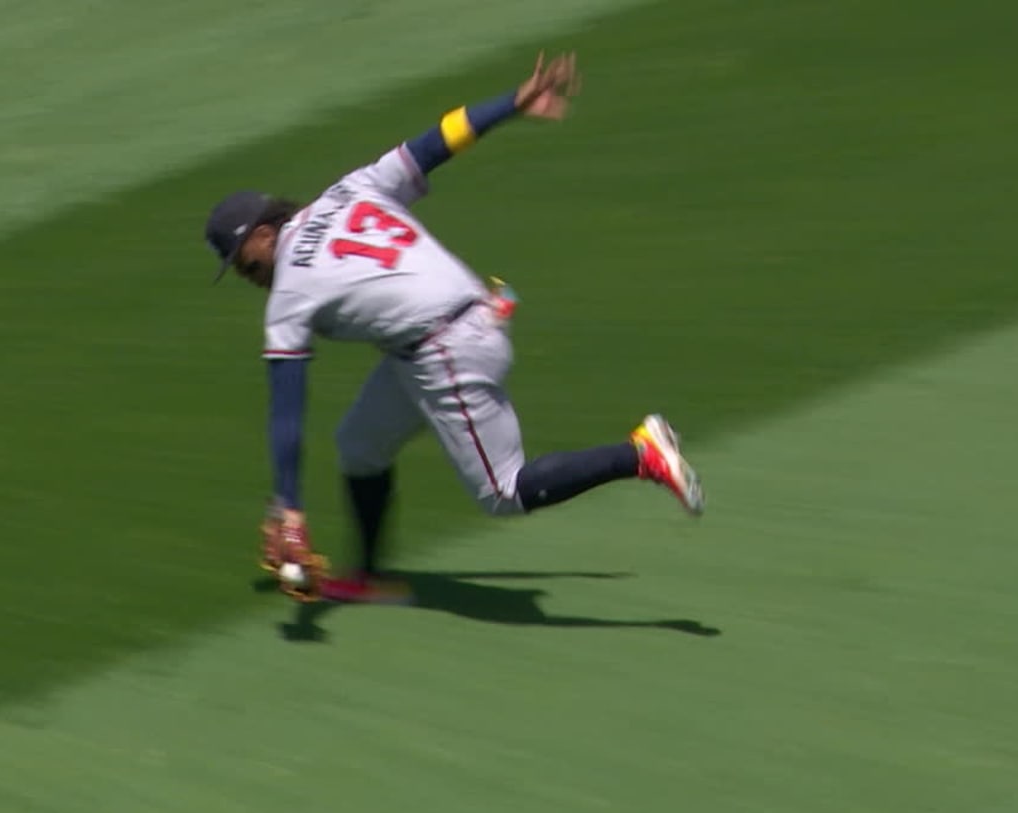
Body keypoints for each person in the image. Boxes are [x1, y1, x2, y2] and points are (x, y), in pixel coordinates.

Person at [203, 51, 703, 604]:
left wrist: (289, 507)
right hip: (461, 324)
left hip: (447, 351)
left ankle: (640, 453)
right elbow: (437, 141)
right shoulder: (349, 190)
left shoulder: (289, 293)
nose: (244, 272)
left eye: (241, 259)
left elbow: (287, 409)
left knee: (504, 492)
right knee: (359, 446)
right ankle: (368, 576)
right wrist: (512, 103)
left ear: (264, 233)